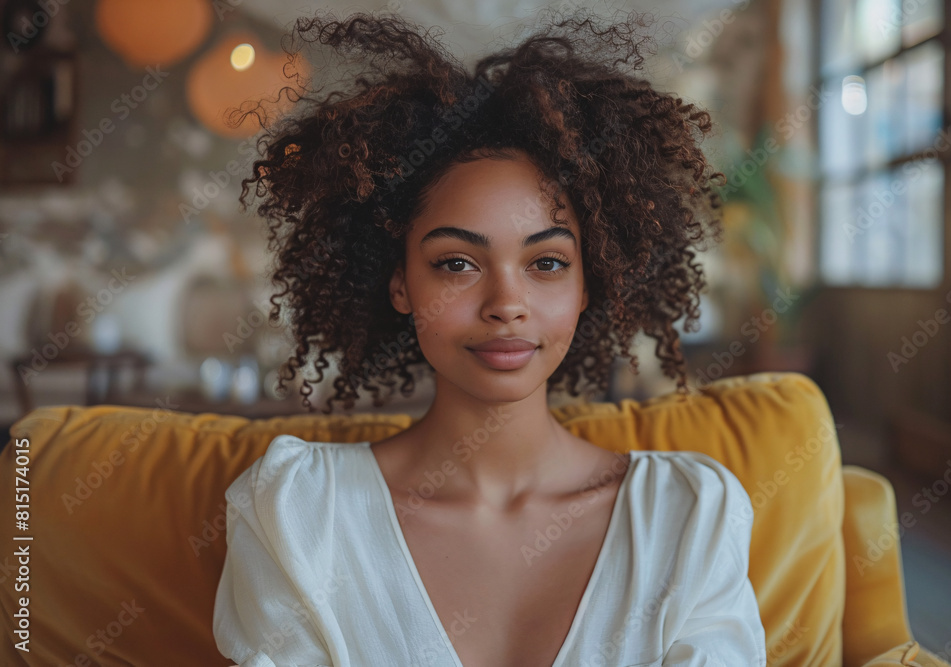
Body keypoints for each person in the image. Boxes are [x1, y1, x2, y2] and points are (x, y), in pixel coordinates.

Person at [213, 8, 766, 666]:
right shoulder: (297, 515)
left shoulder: (689, 516)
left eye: (547, 263)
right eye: (457, 263)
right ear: (400, 283)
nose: (507, 303)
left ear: (589, 284)